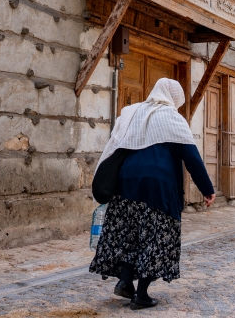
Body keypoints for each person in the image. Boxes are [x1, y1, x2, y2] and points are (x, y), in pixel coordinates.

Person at [90, 78, 215, 309]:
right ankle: (142, 295)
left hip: (126, 183)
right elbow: (191, 157)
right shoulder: (172, 118)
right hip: (157, 187)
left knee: (130, 234)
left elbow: (115, 144)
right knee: (156, 237)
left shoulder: (132, 113)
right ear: (174, 98)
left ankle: (125, 282)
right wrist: (207, 189)